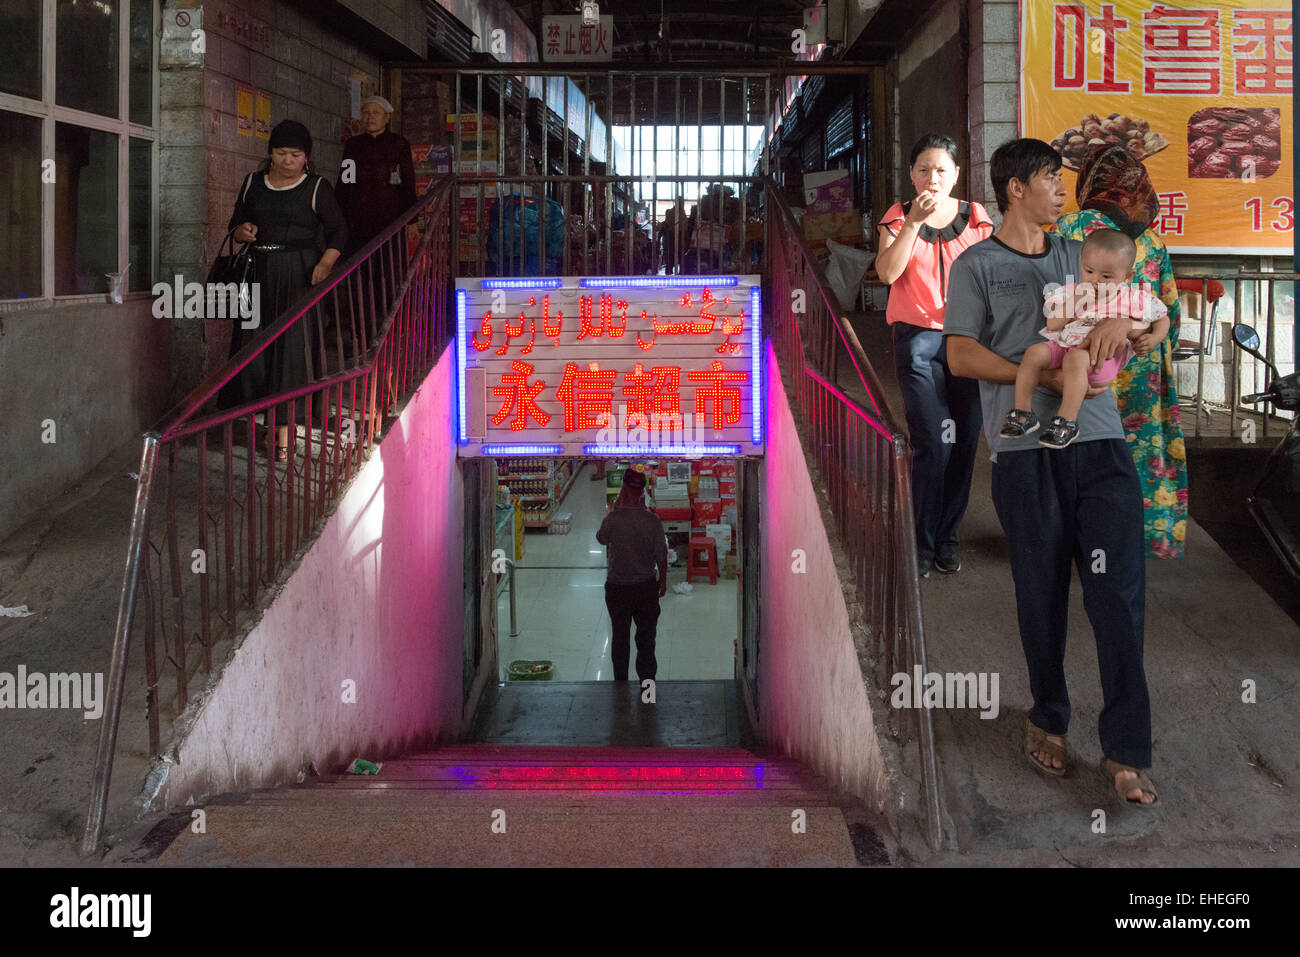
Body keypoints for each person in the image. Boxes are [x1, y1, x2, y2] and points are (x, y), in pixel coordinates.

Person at [944, 138, 1159, 808]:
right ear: (1015, 188)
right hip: (1026, 452)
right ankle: (1048, 715)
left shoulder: (1079, 254)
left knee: (1116, 593)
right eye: (1049, 181)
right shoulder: (976, 265)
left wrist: (1131, 325)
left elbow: (1145, 314)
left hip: (1101, 447)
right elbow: (958, 356)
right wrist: (1037, 372)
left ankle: (1126, 747)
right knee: (1040, 593)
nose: (1061, 192)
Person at [1052, 145, 1189, 558]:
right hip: (1141, 364)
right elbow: (1170, 311)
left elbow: (1057, 294)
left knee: (1084, 449)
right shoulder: (1151, 238)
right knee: (1141, 452)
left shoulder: (1070, 227)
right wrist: (1151, 336)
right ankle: (1142, 540)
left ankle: (1079, 544)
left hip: (1089, 361)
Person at [874, 133, 995, 578]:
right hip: (918, 342)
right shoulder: (897, 216)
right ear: (911, 174)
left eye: (942, 170)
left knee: (964, 443)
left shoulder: (977, 218)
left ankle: (947, 537)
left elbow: (989, 280)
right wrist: (911, 225)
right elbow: (887, 274)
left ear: (957, 174)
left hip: (967, 341)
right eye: (923, 169)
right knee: (932, 444)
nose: (932, 178)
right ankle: (921, 543)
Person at [220, 120, 348, 461]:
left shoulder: (317, 187)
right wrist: (241, 233)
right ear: (270, 154)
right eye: (280, 153)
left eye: (295, 154)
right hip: (255, 271)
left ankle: (283, 433)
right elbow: (235, 223)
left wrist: (325, 263)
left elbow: (338, 231)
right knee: (250, 346)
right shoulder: (252, 183)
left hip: (299, 274)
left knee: (291, 352)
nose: (287, 160)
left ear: (306, 158)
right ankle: (251, 420)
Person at [1001, 228, 1169, 448]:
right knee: (1035, 352)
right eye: (1089, 271)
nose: (1095, 280)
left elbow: (1162, 318)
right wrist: (1077, 298)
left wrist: (1155, 337)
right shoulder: (1071, 292)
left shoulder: (1134, 298)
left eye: (1106, 276)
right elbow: (1052, 324)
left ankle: (1067, 422)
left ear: (1127, 276)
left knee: (1076, 358)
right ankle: (1023, 412)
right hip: (1065, 345)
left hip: (1100, 359)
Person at [595, 468, 668, 683]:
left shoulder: (614, 519)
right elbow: (661, 555)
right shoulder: (652, 521)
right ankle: (648, 692)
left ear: (624, 490)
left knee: (620, 640)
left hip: (618, 589)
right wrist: (662, 580)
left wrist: (614, 510)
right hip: (645, 588)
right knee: (646, 641)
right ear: (642, 492)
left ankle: (621, 690)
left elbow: (601, 538)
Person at [335, 95, 417, 254]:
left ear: (386, 117)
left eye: (376, 113)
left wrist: (412, 219)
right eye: (366, 113)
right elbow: (345, 181)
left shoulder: (398, 144)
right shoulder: (353, 145)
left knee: (389, 266)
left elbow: (407, 182)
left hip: (390, 218)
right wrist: (338, 216)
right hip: (357, 218)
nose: (370, 117)